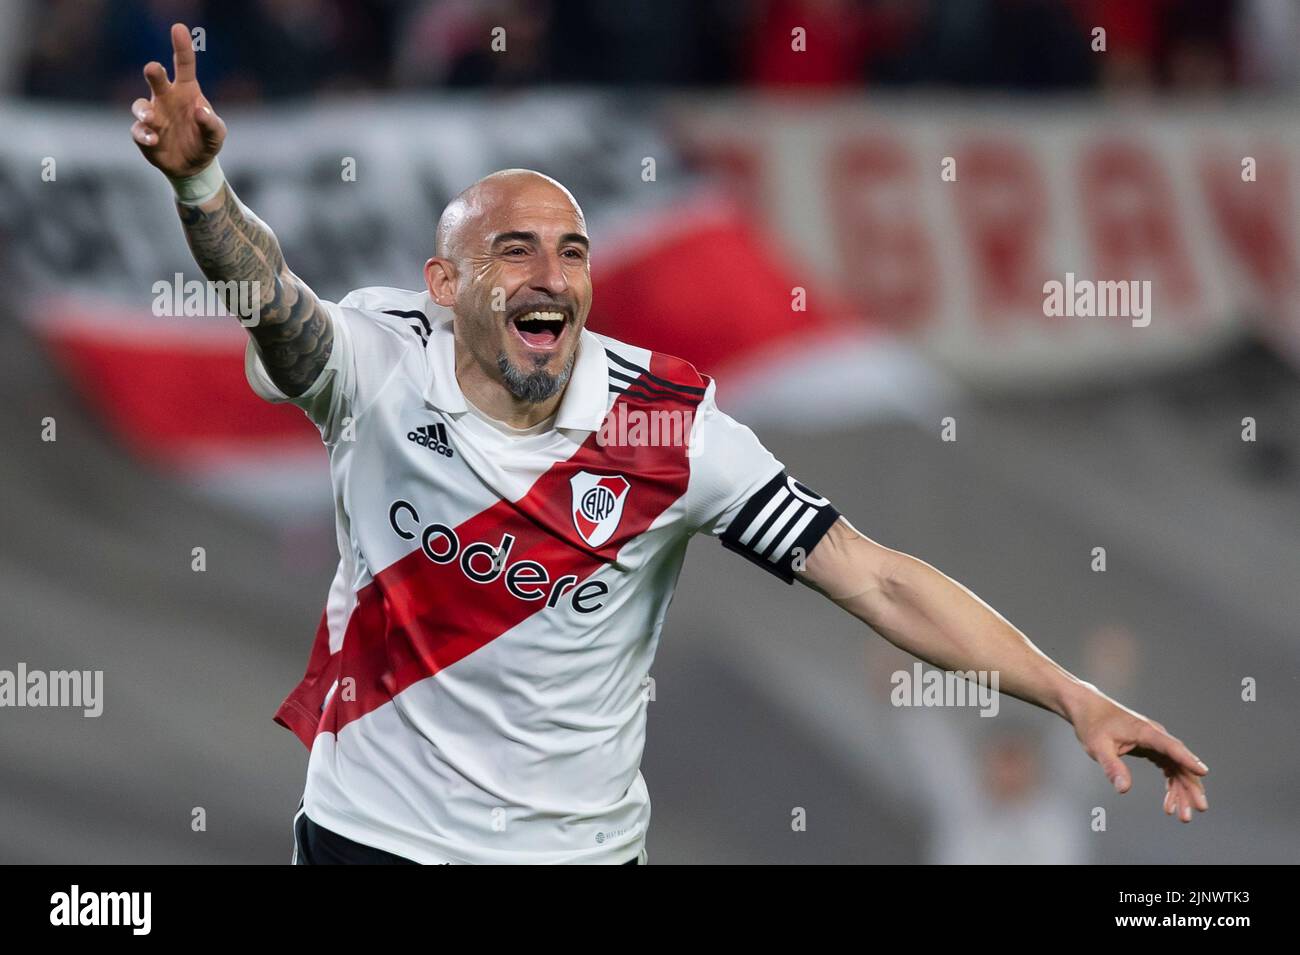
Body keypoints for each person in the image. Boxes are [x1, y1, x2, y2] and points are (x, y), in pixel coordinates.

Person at [129, 22, 1209, 864]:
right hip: (373, 839)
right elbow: (274, 305)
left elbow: (876, 581)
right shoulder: (377, 361)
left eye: (571, 252)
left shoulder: (666, 426)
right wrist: (198, 189)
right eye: (515, 251)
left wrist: (1072, 693)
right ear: (445, 286)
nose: (551, 275)